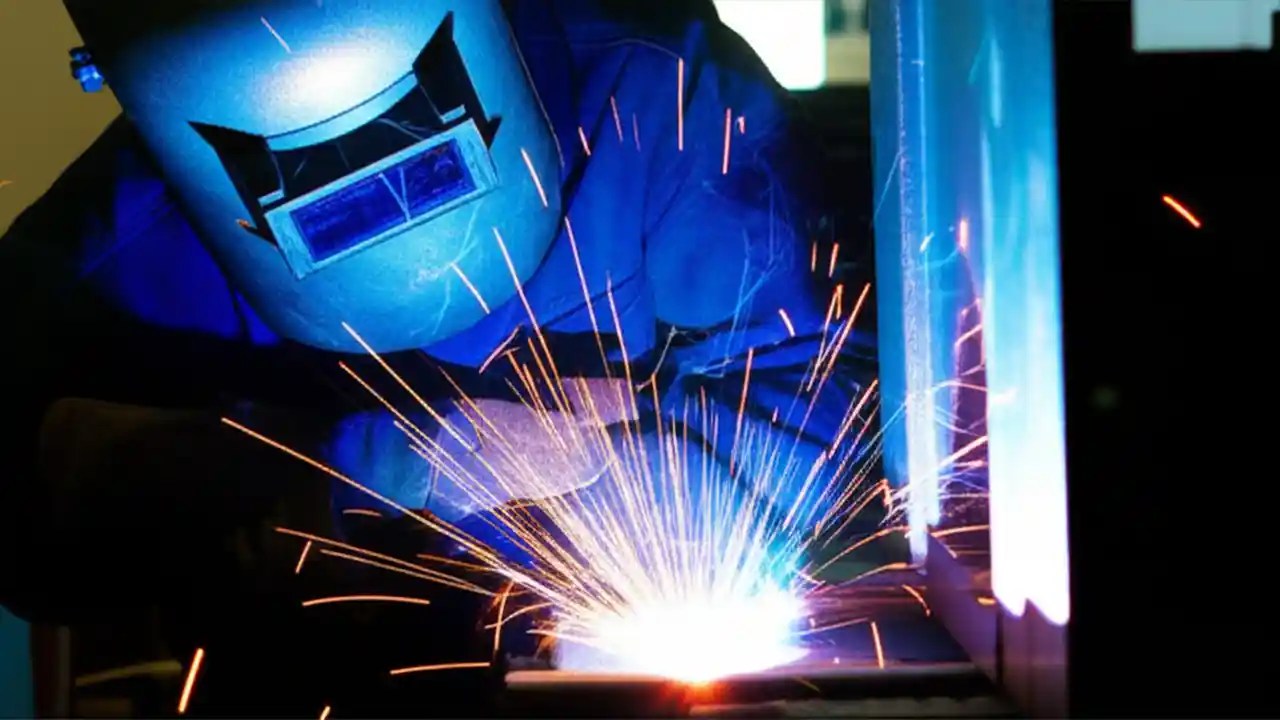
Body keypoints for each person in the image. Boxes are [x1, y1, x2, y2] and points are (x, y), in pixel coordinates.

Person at [0, 0, 874, 713]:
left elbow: (823, 379)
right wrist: (373, 468)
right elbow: (26, 527)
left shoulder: (657, 93)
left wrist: (658, 491)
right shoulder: (121, 244)